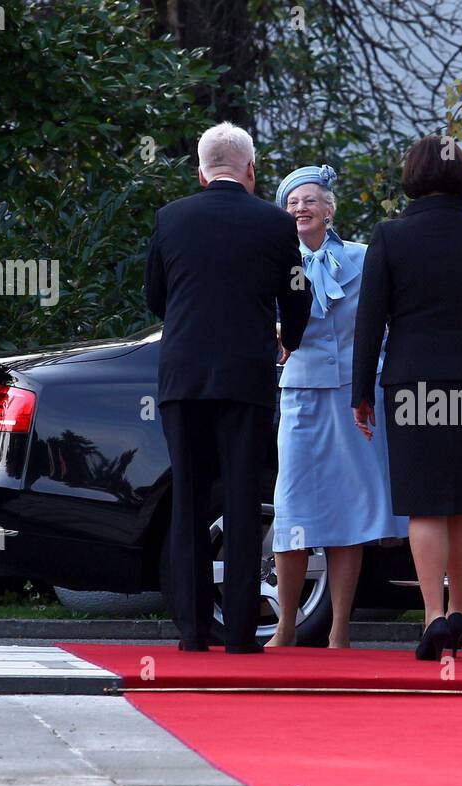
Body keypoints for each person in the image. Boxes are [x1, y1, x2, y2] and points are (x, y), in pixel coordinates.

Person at [145, 123, 311, 653]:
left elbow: (156, 297)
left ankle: (192, 631)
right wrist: (290, 338)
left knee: (189, 500)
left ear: (200, 171)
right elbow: (297, 296)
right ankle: (240, 632)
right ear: (251, 170)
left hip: (184, 375)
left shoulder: (170, 219)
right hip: (246, 377)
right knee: (241, 499)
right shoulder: (274, 224)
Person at [352, 134, 462, 661]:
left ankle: (433, 618)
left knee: (425, 504)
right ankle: (461, 610)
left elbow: (369, 321)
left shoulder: (391, 237)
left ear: (413, 177)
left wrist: (361, 393)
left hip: (413, 382)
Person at [266, 164, 409, 649]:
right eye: (292, 202)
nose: (301, 209)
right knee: (294, 509)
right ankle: (286, 626)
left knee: (349, 511)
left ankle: (339, 629)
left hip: (355, 398)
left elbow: (388, 324)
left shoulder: (365, 258)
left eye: (310, 200)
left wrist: (376, 378)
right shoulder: (275, 264)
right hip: (302, 394)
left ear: (330, 209)